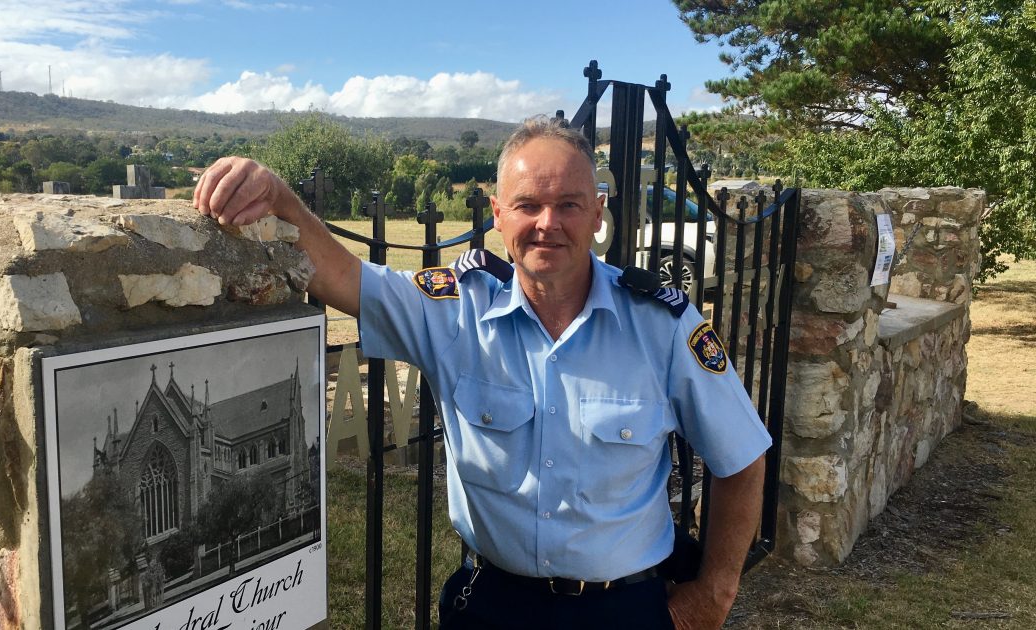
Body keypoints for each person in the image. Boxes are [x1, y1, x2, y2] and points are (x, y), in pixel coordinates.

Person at [194, 116, 770, 630]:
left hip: (624, 610)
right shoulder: (453, 314)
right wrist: (277, 196)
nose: (548, 224)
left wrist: (713, 597)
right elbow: (343, 276)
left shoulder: (662, 326)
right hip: (494, 604)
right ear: (498, 215)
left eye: (569, 204)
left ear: (597, 213)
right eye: (527, 205)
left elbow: (741, 459)